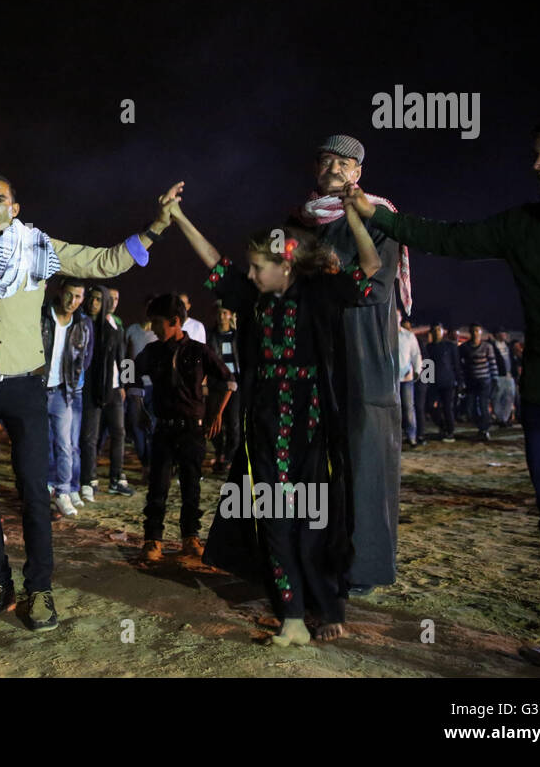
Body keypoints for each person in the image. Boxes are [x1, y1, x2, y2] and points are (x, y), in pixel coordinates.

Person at [346, 111, 540, 671]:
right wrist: (378, 214)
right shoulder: (523, 223)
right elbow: (447, 238)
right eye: (537, 152)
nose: (538, 163)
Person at [0, 175, 179, 630]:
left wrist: (155, 226)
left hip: (25, 388)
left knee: (35, 493)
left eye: (0, 198)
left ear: (14, 208)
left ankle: (40, 589)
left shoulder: (36, 248)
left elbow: (103, 261)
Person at [170, 185, 383, 645]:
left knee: (314, 519)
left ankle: (327, 607)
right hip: (265, 427)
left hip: (312, 428)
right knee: (272, 519)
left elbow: (370, 269)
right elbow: (216, 264)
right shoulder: (252, 299)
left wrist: (357, 219)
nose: (249, 273)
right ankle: (290, 617)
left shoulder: (322, 292)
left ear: (285, 265)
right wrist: (178, 218)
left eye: (257, 266)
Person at [291, 134, 409, 594]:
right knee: (310, 462)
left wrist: (332, 266)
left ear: (358, 173)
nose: (334, 168)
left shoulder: (378, 217)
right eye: (326, 160)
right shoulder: (300, 222)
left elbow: (375, 286)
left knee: (363, 465)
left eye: (345, 163)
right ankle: (312, 560)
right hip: (310, 358)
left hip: (363, 361)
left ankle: (362, 570)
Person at [134, 293, 231, 563]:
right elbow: (129, 368)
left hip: (193, 429)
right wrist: (137, 401)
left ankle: (191, 537)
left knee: (191, 486)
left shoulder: (199, 351)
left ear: (175, 321)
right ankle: (152, 539)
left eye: (156, 322)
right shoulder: (152, 352)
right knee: (158, 486)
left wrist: (216, 413)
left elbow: (228, 380)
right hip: (164, 429)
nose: (152, 328)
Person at [42, 278, 91, 516]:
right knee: (39, 445)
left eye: (79, 297)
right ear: (60, 292)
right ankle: (41, 490)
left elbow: (85, 358)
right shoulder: (42, 315)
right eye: (70, 295)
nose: (73, 302)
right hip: (38, 389)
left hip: (63, 391)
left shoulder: (82, 323)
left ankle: (63, 491)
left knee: (65, 445)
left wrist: (73, 383)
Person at [81, 285, 132, 501]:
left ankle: (116, 478)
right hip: (91, 388)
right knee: (90, 437)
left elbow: (125, 356)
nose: (112, 302)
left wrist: (125, 384)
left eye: (115, 298)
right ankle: (88, 479)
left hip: (113, 388)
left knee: (119, 433)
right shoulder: (85, 324)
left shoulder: (116, 325)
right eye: (105, 298)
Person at [124, 302, 158, 482]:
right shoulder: (131, 330)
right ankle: (145, 464)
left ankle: (153, 466)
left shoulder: (159, 332)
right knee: (137, 426)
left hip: (156, 386)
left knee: (154, 426)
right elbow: (126, 358)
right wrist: (127, 384)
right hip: (135, 386)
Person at [210, 301, 242, 473]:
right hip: (218, 381)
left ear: (230, 315)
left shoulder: (237, 336)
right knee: (216, 419)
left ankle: (229, 457)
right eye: (219, 313)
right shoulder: (211, 336)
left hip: (236, 382)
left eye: (225, 313)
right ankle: (219, 452)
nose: (222, 316)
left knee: (234, 422)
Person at [459, 323, 497, 441]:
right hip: (471, 381)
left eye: (477, 331)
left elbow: (492, 363)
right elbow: (461, 365)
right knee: (471, 407)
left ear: (481, 333)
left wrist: (494, 379)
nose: (475, 333)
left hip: (484, 380)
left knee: (483, 405)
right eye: (473, 331)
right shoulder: (465, 347)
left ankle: (484, 429)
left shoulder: (487, 347)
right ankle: (479, 426)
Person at [425, 324, 461, 441]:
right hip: (433, 383)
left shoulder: (450, 346)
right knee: (430, 407)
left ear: (443, 331)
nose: (437, 332)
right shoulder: (429, 347)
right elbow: (427, 364)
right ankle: (442, 426)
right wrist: (427, 382)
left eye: (439, 329)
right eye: (434, 330)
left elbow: (456, 364)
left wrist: (459, 381)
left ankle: (450, 431)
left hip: (448, 381)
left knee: (447, 408)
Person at [397, 318, 422, 446]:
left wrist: (417, 370)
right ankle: (395, 438)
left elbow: (416, 354)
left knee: (408, 408)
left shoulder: (408, 336)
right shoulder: (384, 334)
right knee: (394, 409)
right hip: (391, 380)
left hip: (406, 378)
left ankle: (411, 436)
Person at [491, 328, 517, 426]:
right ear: (496, 334)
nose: (504, 335)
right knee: (497, 397)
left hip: (509, 376)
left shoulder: (508, 346)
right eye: (502, 333)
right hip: (499, 376)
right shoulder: (493, 346)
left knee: (509, 397)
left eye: (504, 333)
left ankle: (504, 419)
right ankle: (499, 418)